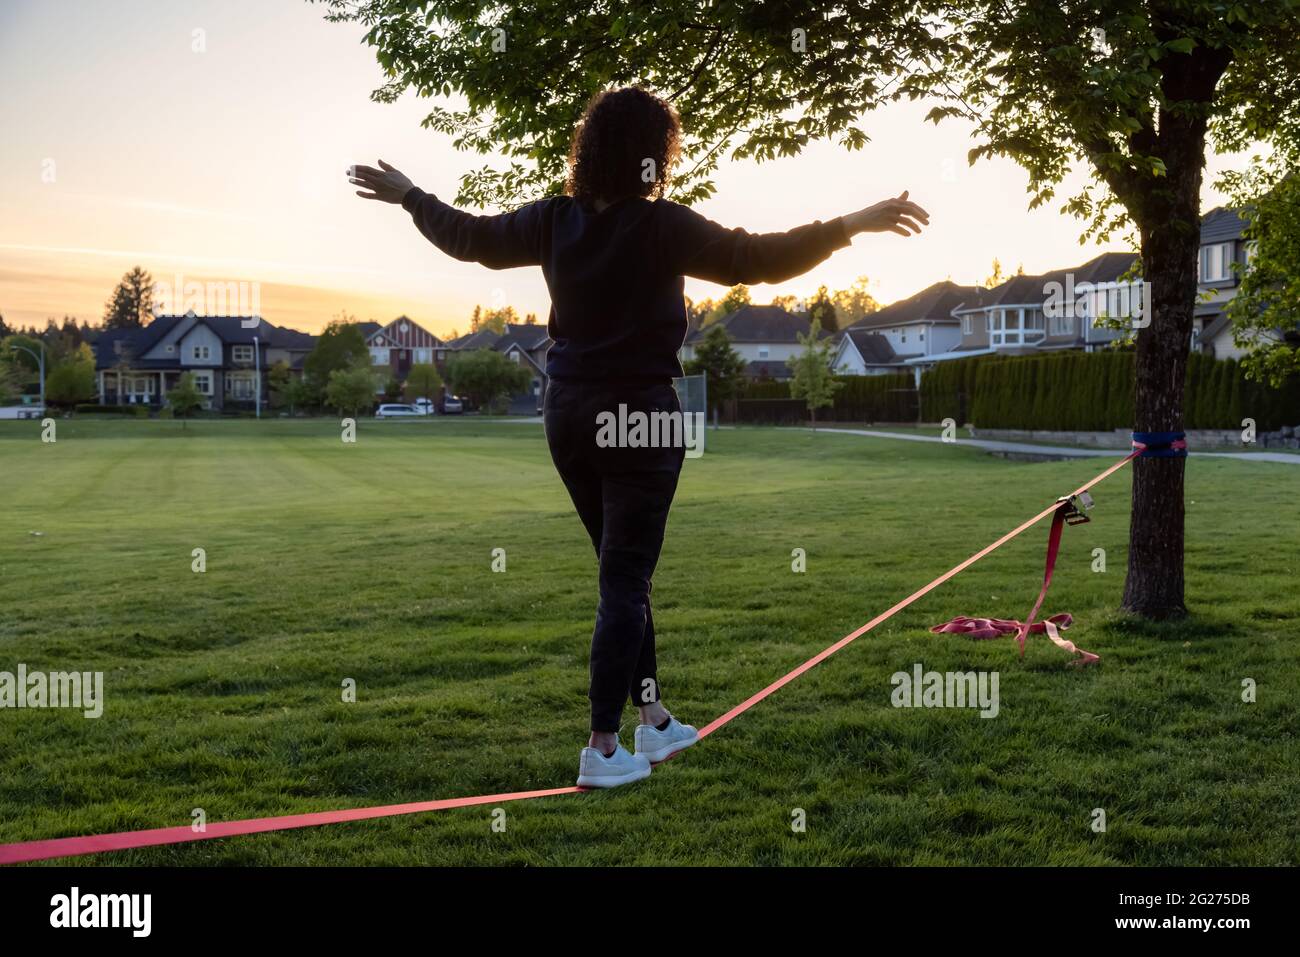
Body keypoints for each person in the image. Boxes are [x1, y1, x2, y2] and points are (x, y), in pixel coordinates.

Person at [349, 85, 928, 789]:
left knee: (623, 575)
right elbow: (757, 259)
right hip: (641, 419)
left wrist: (412, 194)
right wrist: (851, 224)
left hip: (567, 413)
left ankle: (652, 721)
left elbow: (469, 239)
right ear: (656, 157)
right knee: (625, 578)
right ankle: (601, 746)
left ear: (588, 150)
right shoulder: (660, 226)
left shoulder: (552, 220)